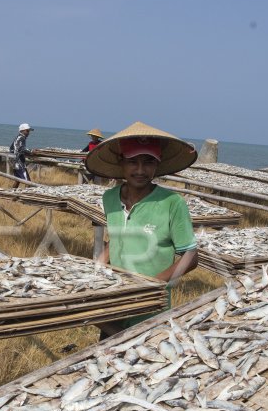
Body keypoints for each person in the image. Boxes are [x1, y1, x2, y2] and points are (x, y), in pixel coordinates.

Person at [85, 121, 200, 334]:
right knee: (108, 357)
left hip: (151, 310)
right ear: (121, 162)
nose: (140, 170)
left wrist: (149, 285)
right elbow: (119, 238)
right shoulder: (110, 197)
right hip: (115, 302)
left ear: (157, 165)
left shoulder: (172, 203)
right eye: (132, 162)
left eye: (148, 162)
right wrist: (97, 267)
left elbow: (190, 256)